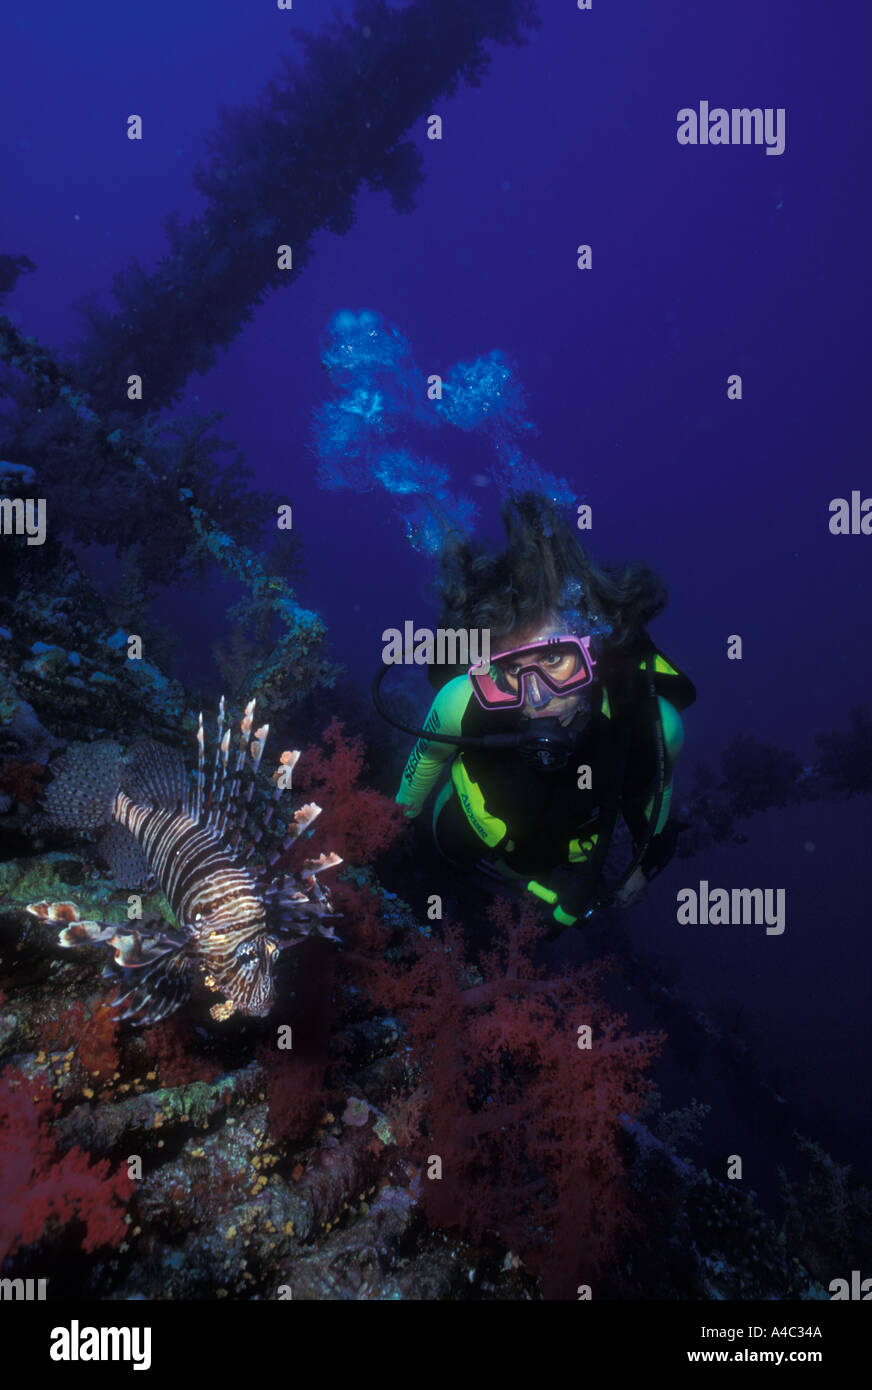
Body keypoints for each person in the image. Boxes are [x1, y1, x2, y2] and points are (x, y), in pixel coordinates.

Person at [392, 494, 696, 931]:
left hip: (565, 854)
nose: (536, 697)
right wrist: (392, 832)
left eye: (555, 661)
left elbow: (659, 790)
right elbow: (423, 767)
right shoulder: (461, 700)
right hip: (466, 838)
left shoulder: (656, 727)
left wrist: (643, 868)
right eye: (513, 669)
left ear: (594, 648)